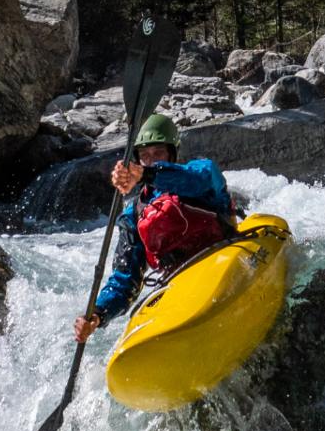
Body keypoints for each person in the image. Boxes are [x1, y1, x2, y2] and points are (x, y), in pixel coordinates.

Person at [74, 113, 237, 342]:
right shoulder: (134, 215)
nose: (151, 160)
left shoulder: (200, 173)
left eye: (158, 153)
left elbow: (199, 178)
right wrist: (98, 315)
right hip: (182, 281)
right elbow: (125, 280)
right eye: (144, 156)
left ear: (172, 153)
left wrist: (147, 174)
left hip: (226, 259)